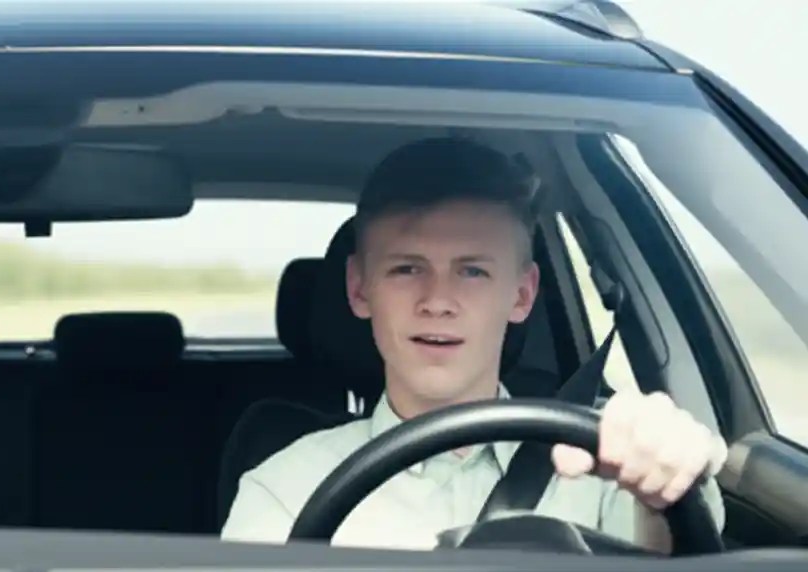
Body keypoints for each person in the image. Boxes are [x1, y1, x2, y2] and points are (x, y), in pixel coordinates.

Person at [220, 137, 726, 550]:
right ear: (358, 289)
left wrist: (666, 481)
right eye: (407, 268)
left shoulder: (610, 463)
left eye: (473, 271)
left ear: (522, 294)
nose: (438, 301)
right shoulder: (285, 488)